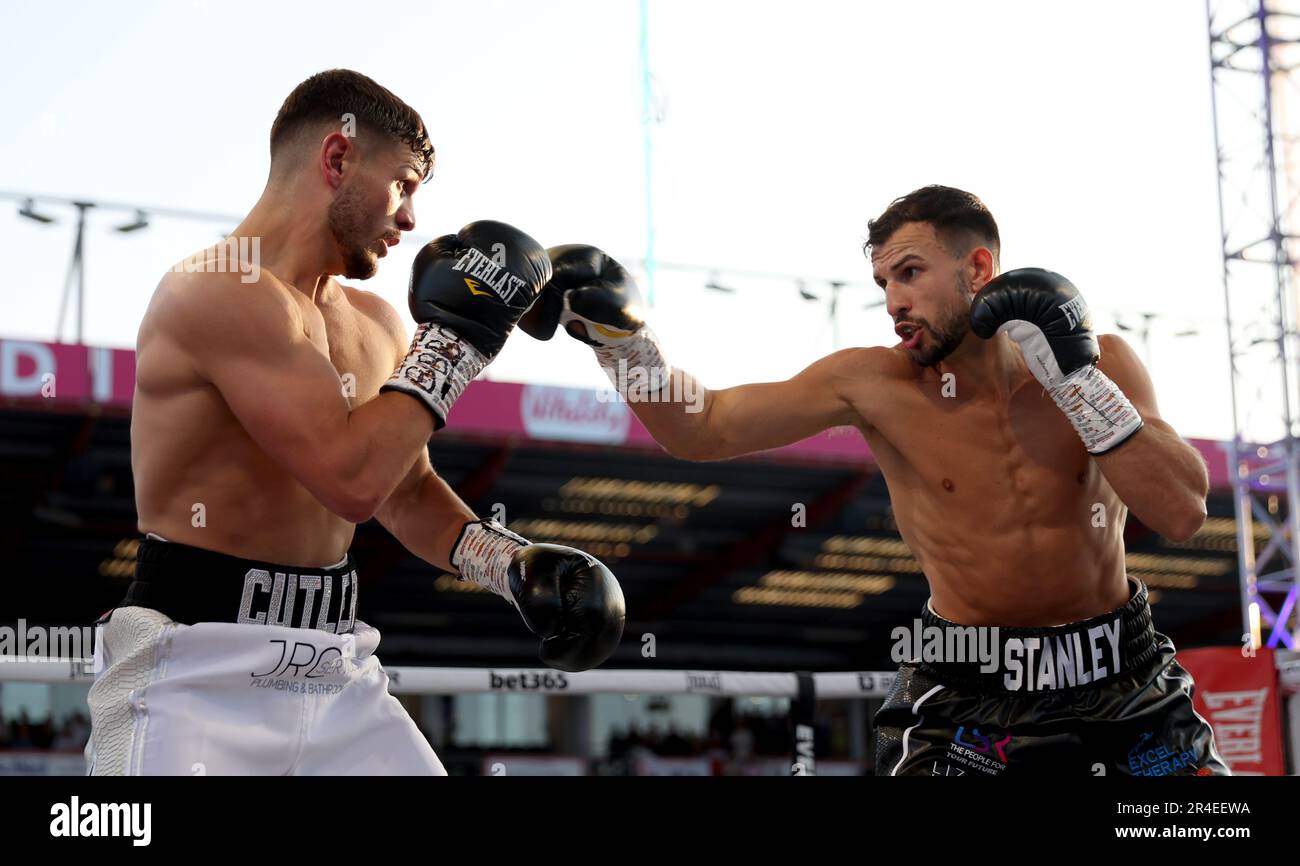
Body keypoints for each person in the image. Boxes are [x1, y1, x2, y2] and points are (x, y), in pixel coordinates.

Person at [518, 185, 1226, 776]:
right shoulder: (875, 382)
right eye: (883, 282)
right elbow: (703, 428)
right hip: (969, 690)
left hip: (1121, 679)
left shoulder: (1101, 360)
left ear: (978, 267)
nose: (893, 300)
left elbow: (1181, 511)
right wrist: (623, 344)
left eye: (910, 273)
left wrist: (1077, 383)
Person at [86, 69, 624, 776]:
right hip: (193, 671)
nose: (409, 218)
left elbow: (401, 488)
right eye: (402, 184)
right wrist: (461, 338)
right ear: (337, 159)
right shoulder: (215, 291)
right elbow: (350, 479)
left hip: (336, 668)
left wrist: (509, 565)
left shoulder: (374, 324)